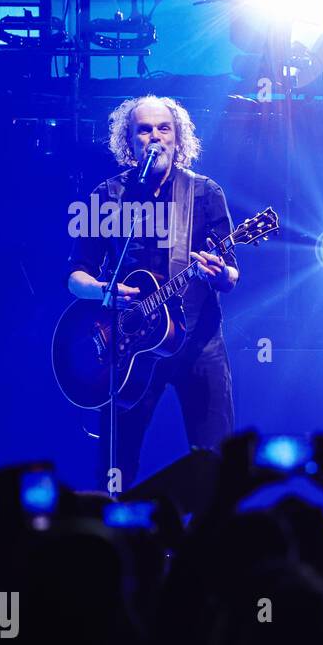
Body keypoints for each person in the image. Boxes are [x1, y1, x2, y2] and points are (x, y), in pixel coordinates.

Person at [67, 95, 239, 487]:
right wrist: (104, 293)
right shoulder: (107, 196)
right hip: (128, 347)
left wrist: (218, 273)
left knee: (217, 462)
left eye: (165, 129)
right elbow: (75, 275)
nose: (155, 137)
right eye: (144, 129)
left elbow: (231, 276)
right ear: (129, 141)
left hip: (198, 342)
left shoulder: (205, 193)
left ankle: (212, 543)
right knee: (115, 466)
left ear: (179, 140)